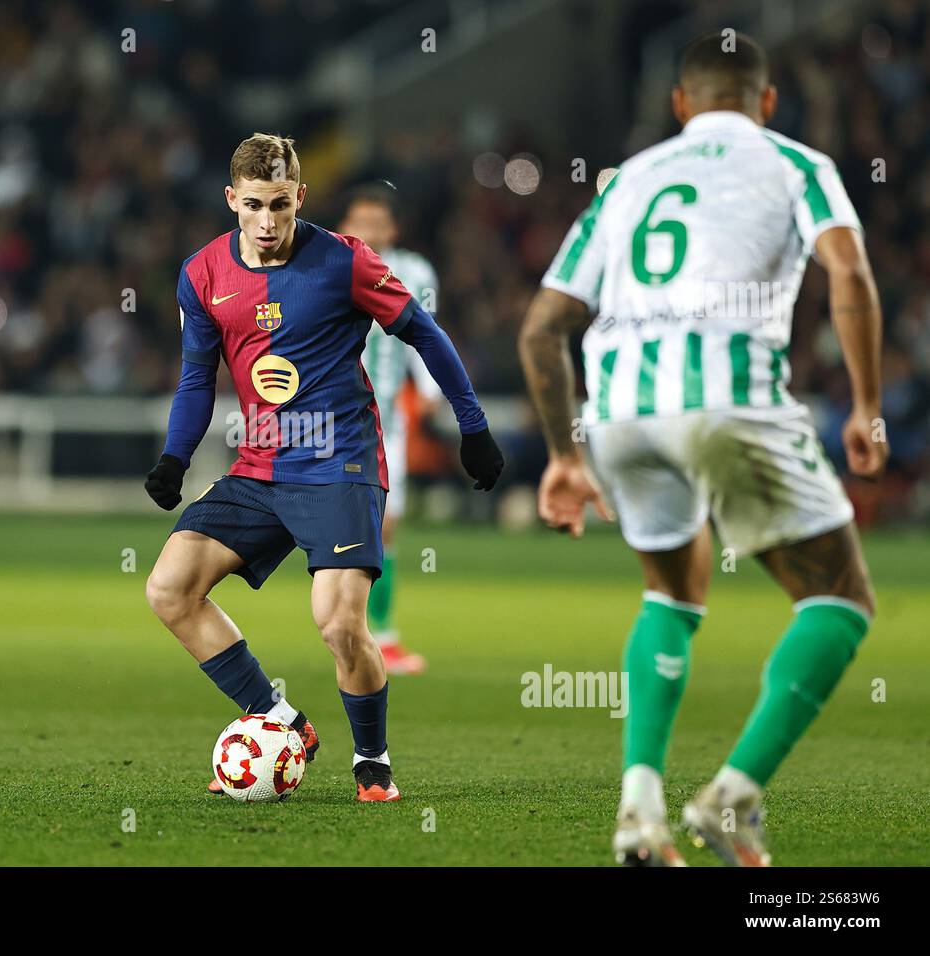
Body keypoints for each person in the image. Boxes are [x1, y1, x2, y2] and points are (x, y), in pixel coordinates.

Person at [518, 32, 886, 864]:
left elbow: (543, 328)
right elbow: (851, 274)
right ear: (766, 101)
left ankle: (637, 810)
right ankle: (733, 796)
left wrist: (565, 454)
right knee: (839, 598)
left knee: (672, 597)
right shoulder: (797, 162)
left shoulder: (627, 181)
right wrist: (866, 406)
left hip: (618, 413)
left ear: (679, 103)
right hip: (726, 398)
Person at [144, 133, 503, 802]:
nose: (270, 221)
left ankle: (373, 761)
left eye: (282, 204)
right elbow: (198, 378)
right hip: (258, 467)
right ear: (232, 201)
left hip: (341, 464)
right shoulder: (201, 275)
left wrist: (473, 428)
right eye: (254, 205)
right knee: (168, 589)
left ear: (300, 197)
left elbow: (425, 331)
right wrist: (175, 457)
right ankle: (280, 720)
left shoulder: (345, 262)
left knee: (338, 623)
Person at [338, 183, 446, 675]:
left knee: (384, 524)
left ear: (393, 229)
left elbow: (425, 332)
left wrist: (429, 386)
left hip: (386, 420)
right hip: (329, 416)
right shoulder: (323, 262)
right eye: (359, 220)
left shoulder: (415, 271)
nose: (368, 230)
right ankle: (347, 628)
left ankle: (378, 635)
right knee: (334, 524)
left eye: (376, 222)